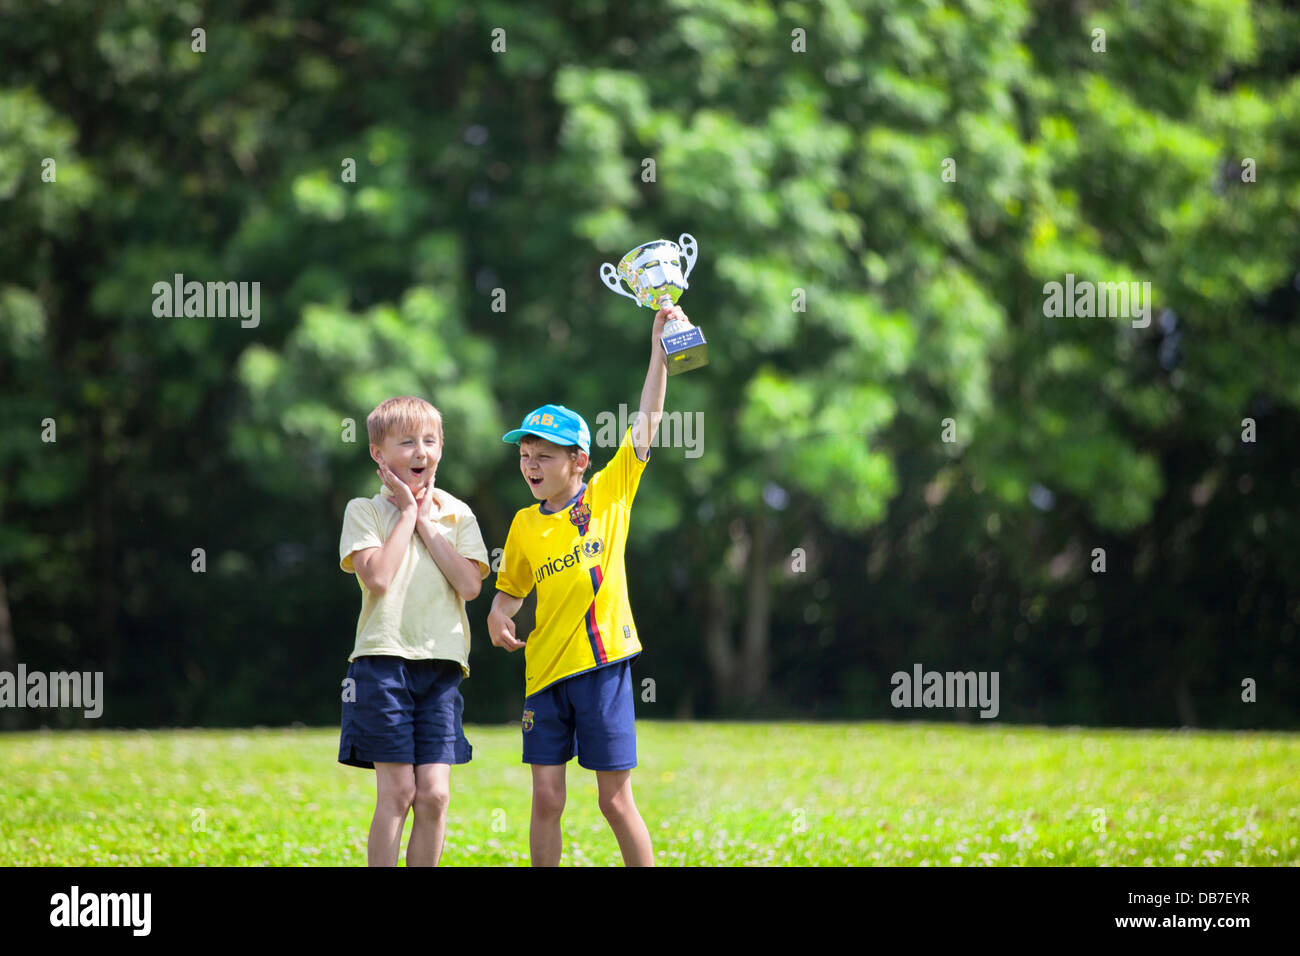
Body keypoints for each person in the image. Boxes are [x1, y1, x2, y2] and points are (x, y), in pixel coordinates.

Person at [488, 303, 681, 867]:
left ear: (579, 460)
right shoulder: (524, 524)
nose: (530, 465)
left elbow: (647, 421)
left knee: (614, 800)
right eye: (525, 456)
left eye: (543, 456)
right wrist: (500, 614)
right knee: (546, 798)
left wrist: (659, 349)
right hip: (544, 673)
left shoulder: (608, 493)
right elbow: (512, 590)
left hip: (603, 668)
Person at [337, 396, 490, 866]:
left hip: (441, 669)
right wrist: (405, 514)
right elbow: (378, 578)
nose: (421, 451)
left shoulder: (457, 514)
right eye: (407, 442)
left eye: (430, 440)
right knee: (399, 792)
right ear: (378, 454)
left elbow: (469, 585)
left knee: (435, 797)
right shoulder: (364, 511)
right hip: (382, 667)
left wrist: (425, 521)